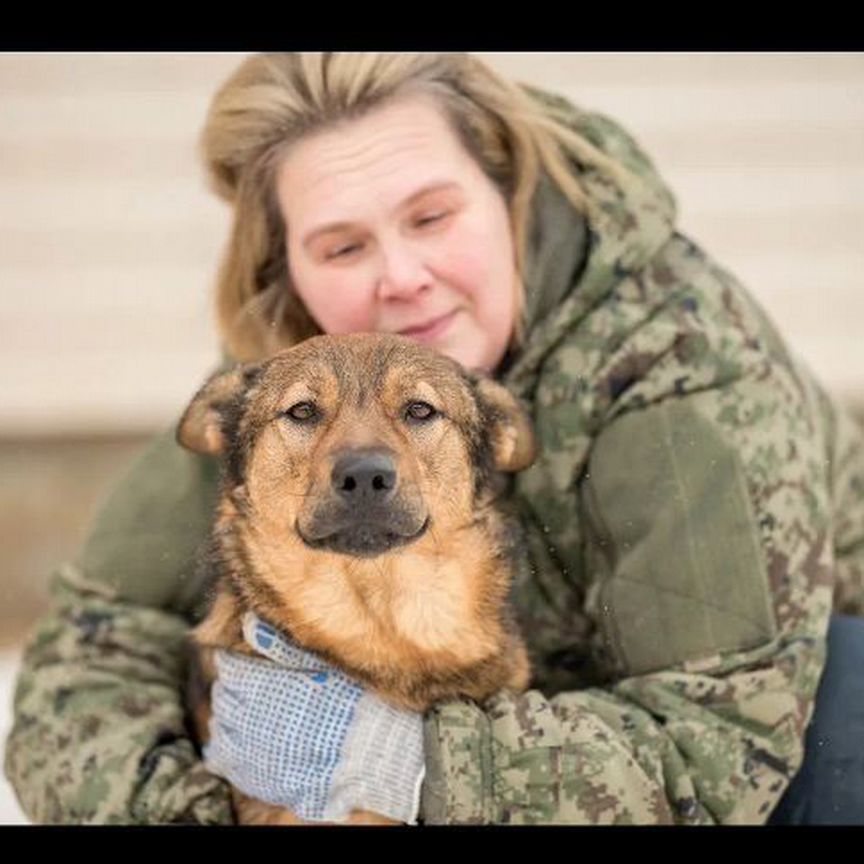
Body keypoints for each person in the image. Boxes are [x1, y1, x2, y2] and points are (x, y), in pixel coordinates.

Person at [4, 52, 864, 825]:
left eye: (431, 217)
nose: (402, 280)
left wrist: (401, 766)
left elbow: (716, 746)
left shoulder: (684, 374)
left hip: (759, 731)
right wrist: (221, 813)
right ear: (288, 268)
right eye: (342, 245)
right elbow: (91, 648)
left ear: (507, 191)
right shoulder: (284, 383)